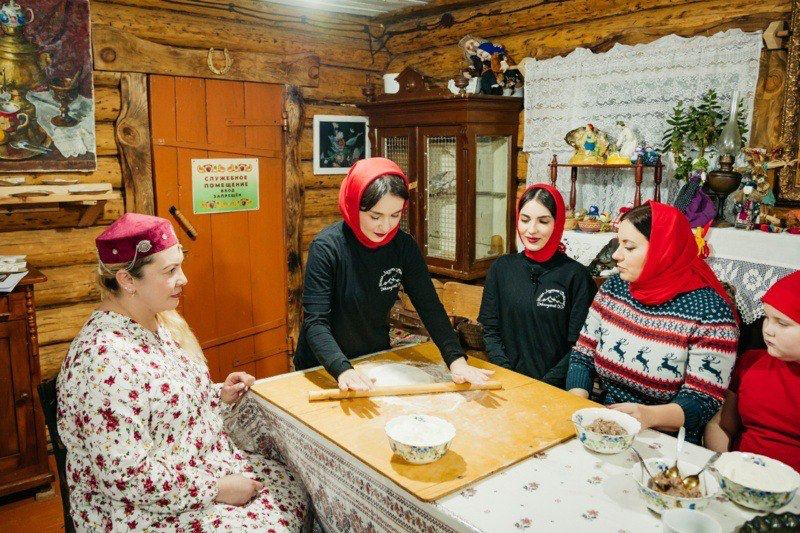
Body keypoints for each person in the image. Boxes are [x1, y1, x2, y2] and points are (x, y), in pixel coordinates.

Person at [57, 213, 307, 531]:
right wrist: (217, 489)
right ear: (127, 280)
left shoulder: (155, 320)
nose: (184, 279)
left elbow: (161, 403)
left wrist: (218, 395)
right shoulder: (102, 364)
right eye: (170, 270)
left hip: (189, 469)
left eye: (180, 264)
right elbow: (129, 477)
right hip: (140, 509)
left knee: (293, 485)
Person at [293, 157, 492, 390]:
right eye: (375, 216)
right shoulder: (327, 248)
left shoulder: (402, 246)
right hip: (323, 366)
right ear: (352, 205)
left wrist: (456, 360)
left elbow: (429, 306)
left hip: (374, 359)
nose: (385, 227)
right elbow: (315, 323)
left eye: (395, 215)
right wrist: (342, 369)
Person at [566, 202, 739, 444]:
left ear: (663, 250)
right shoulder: (615, 288)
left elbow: (703, 400)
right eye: (619, 244)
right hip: (604, 422)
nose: (616, 255)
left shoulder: (710, 313)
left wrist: (647, 416)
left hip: (665, 439)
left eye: (629, 247)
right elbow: (583, 355)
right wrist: (579, 403)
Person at [478, 184, 595, 387]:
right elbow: (490, 330)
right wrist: (508, 376)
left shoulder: (576, 276)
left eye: (543, 221)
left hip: (554, 389)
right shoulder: (501, 269)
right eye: (525, 220)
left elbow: (579, 347)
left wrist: (543, 385)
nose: (531, 230)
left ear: (557, 224)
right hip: (506, 383)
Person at [704, 271, 800, 472]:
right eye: (767, 317)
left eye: (782, 323)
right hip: (740, 474)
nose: (768, 330)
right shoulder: (751, 361)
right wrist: (723, 466)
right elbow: (721, 425)